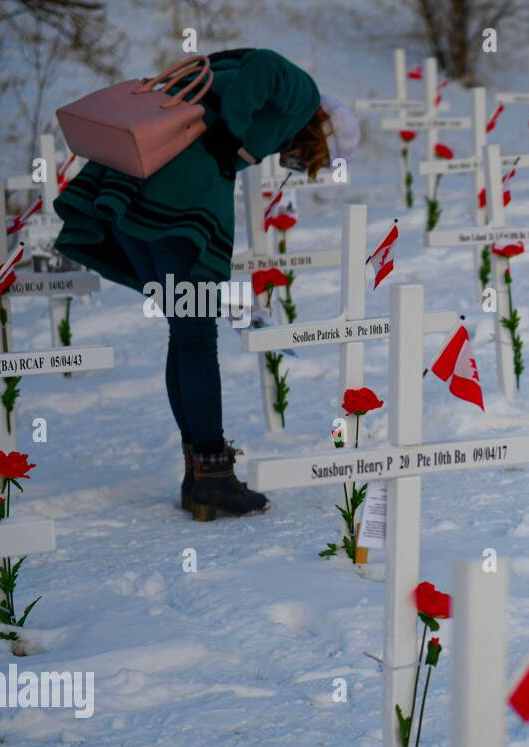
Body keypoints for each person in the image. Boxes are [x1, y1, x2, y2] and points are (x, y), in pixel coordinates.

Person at [53, 48, 359, 521]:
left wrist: (226, 136)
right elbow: (266, 66)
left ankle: (199, 473)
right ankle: (213, 478)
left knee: (185, 332)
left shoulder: (227, 79)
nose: (291, 159)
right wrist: (228, 134)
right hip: (177, 202)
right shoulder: (303, 92)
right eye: (306, 158)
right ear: (321, 133)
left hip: (134, 189)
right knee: (195, 336)